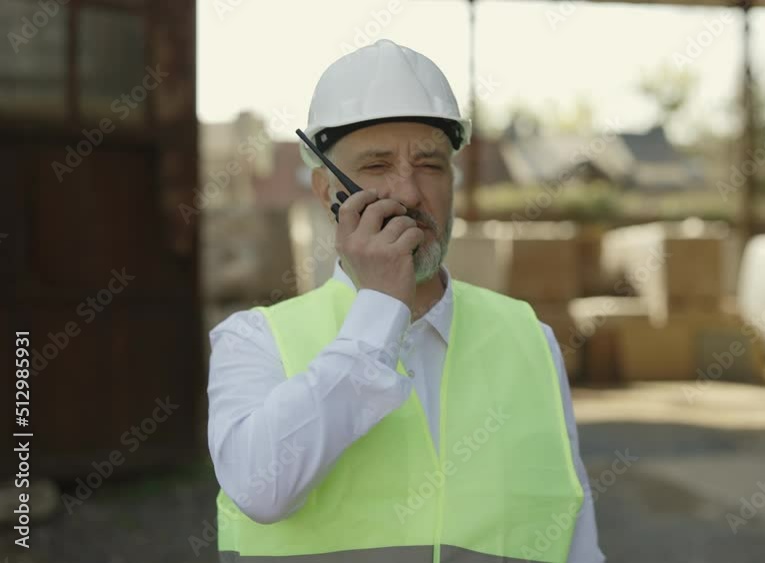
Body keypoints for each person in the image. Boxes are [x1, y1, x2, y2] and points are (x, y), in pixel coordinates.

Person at [206, 39, 604, 563]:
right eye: (376, 165)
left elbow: (575, 538)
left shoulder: (530, 339)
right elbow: (262, 490)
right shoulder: (254, 341)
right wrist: (378, 311)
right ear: (328, 192)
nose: (411, 193)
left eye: (430, 165)